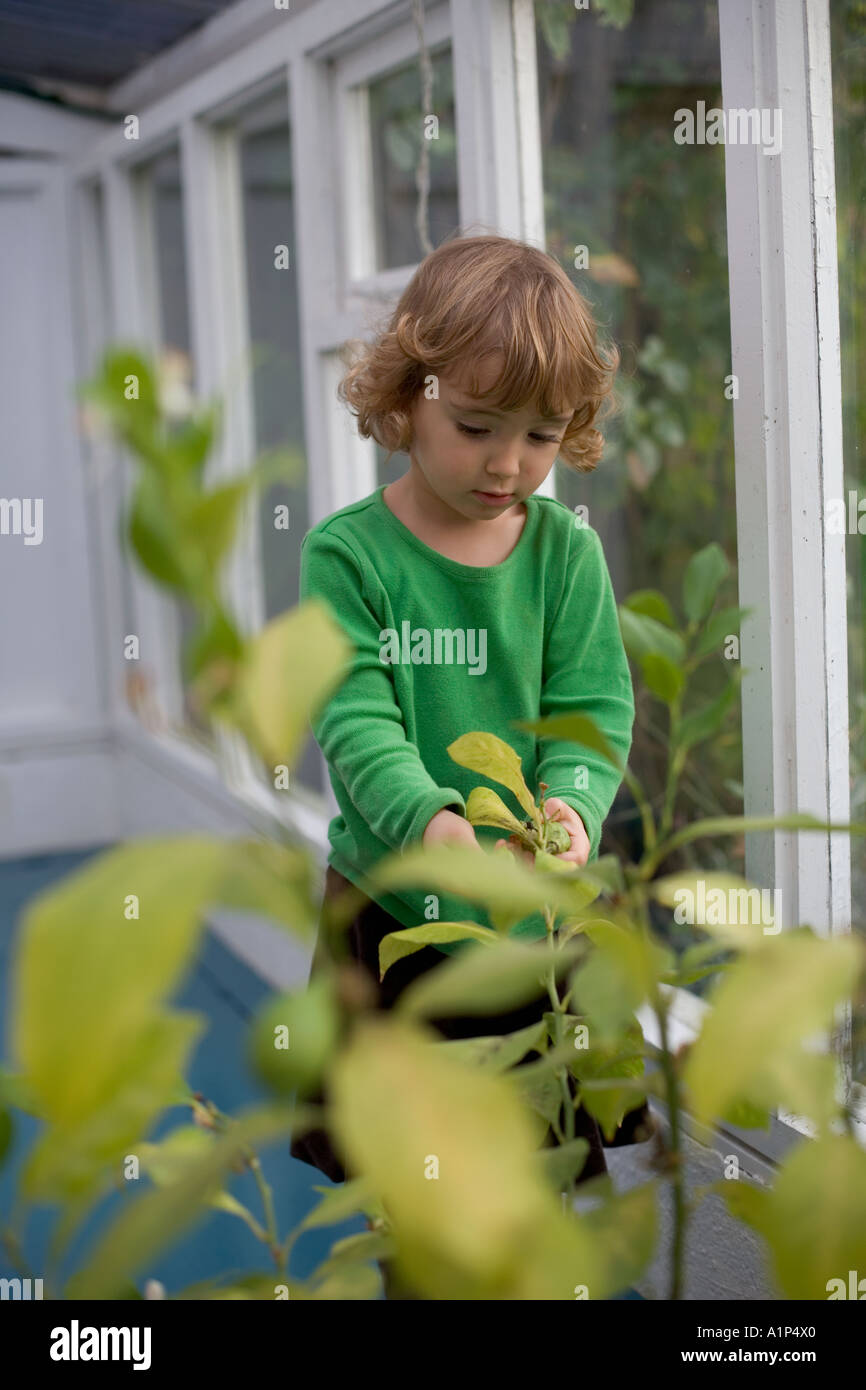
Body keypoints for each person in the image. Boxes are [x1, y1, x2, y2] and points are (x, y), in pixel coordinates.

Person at [288, 232, 654, 1292]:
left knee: (528, 1170)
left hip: (534, 914)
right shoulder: (348, 554)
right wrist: (436, 825)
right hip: (395, 913)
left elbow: (591, 707)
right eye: (476, 427)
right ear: (404, 399)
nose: (507, 465)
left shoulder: (563, 554)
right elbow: (354, 716)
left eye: (541, 435)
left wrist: (571, 809)